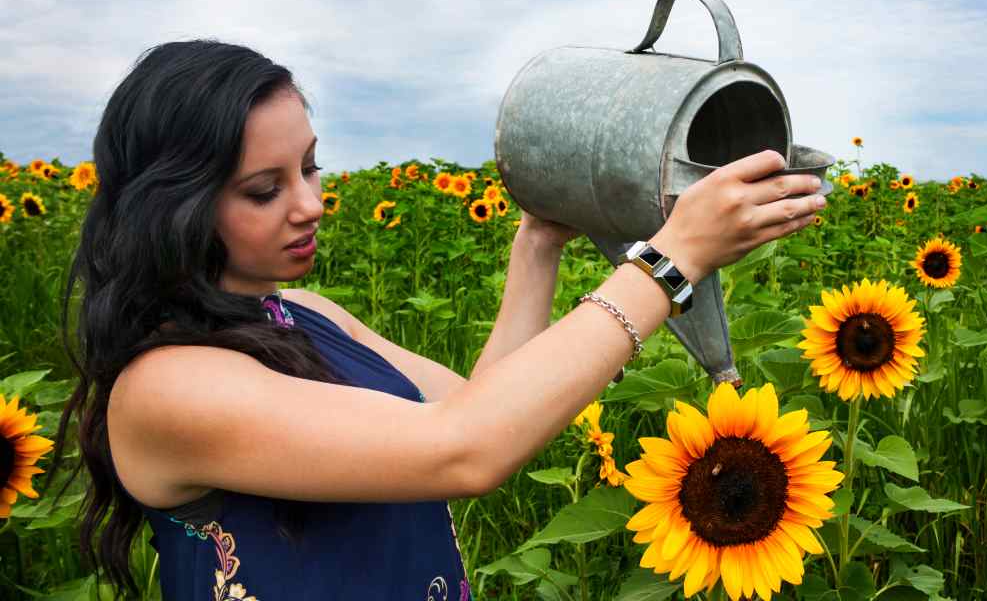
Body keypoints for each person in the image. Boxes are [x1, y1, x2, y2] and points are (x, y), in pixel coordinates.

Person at [50, 40, 828, 599]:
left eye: (311, 166)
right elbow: (465, 452)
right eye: (264, 188)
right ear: (171, 205)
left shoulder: (305, 314)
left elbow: (473, 403)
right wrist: (670, 260)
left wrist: (540, 239)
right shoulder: (167, 390)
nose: (312, 203)